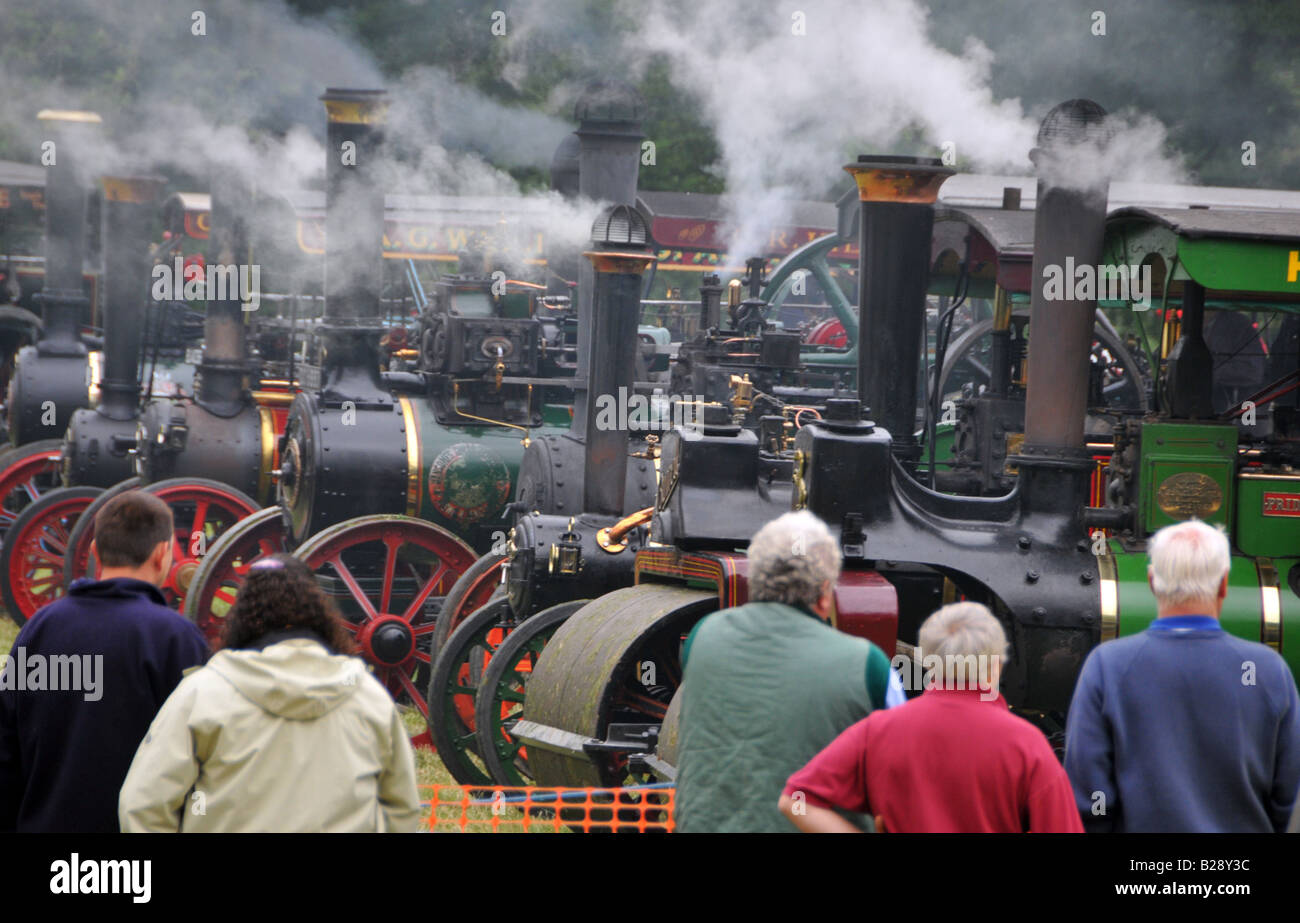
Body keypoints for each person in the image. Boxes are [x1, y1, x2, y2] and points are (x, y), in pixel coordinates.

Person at [118, 553, 421, 832]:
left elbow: (145, 803)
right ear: (319, 611)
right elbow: (402, 807)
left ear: (242, 614)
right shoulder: (368, 696)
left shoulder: (203, 692)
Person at [673, 510, 905, 833]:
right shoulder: (870, 666)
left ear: (755, 581)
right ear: (825, 594)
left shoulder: (703, 637)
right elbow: (901, 777)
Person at [1064, 519, 1300, 832]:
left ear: (1151, 581)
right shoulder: (1270, 671)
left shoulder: (1107, 666)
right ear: (1223, 584)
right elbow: (1289, 798)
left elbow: (1089, 799)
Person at [0, 490, 208, 832]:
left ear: (95, 551)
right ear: (162, 554)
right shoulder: (176, 639)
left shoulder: (40, 629)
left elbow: (6, 747)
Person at [779, 601, 1082, 833]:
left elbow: (795, 801)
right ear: (996, 665)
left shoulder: (880, 730)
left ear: (928, 660)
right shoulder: (1027, 744)